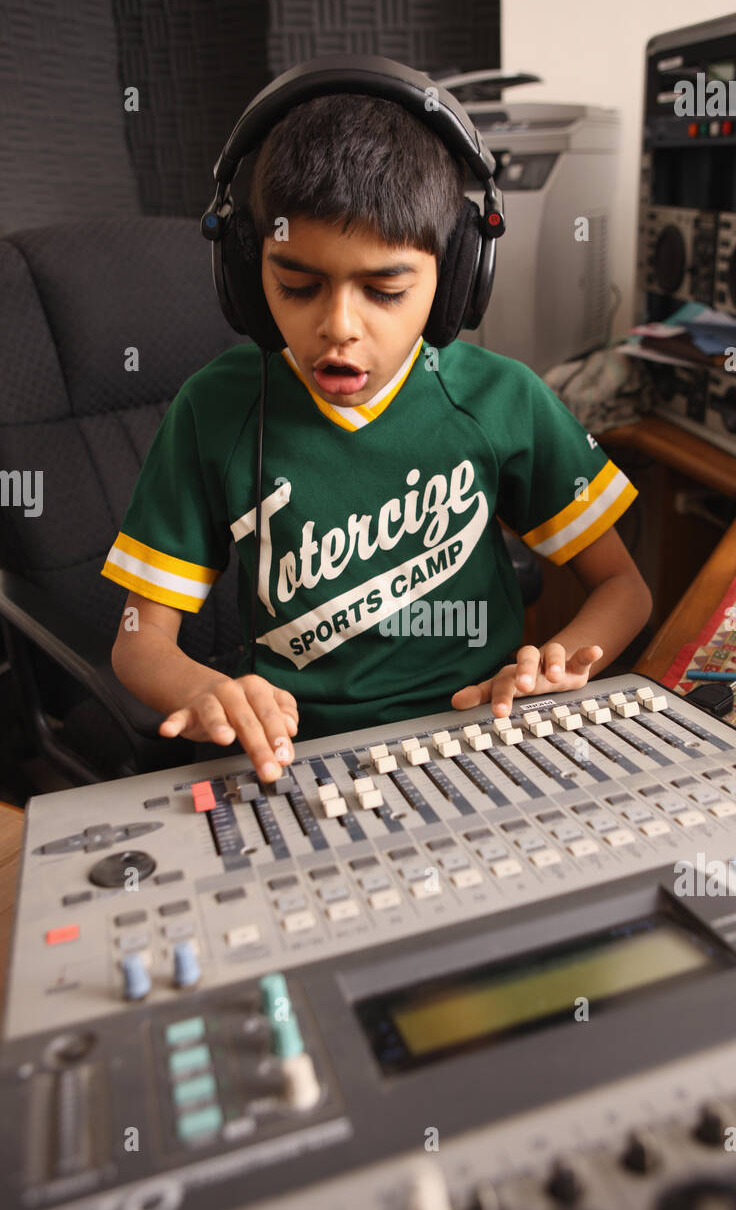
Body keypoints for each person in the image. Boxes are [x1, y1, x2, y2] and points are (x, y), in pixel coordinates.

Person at [104, 91, 652, 785]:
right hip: (292, 761)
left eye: (385, 291)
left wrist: (557, 663)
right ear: (247, 275)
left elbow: (623, 589)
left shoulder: (502, 400)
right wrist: (197, 688)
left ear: (456, 278)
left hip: (477, 737)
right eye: (298, 285)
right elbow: (137, 640)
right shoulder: (214, 411)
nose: (339, 325)